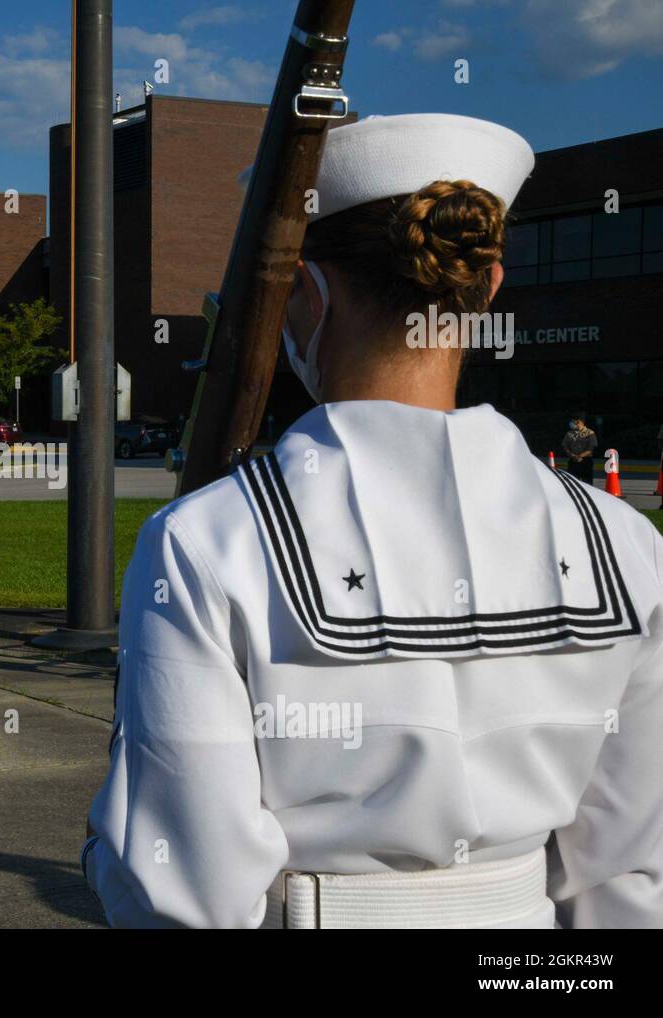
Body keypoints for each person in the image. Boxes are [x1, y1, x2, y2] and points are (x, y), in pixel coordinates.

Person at [83, 113, 663, 928]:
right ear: (490, 286)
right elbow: (629, 875)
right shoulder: (626, 544)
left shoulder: (207, 542)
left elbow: (185, 894)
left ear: (307, 296)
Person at [562, 414, 597, 484]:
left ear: (578, 422)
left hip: (585, 462)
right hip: (573, 461)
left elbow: (591, 448)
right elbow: (564, 446)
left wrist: (579, 456)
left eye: (572, 421)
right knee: (572, 483)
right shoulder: (569, 433)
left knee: (587, 483)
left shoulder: (590, 433)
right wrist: (572, 455)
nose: (571, 423)